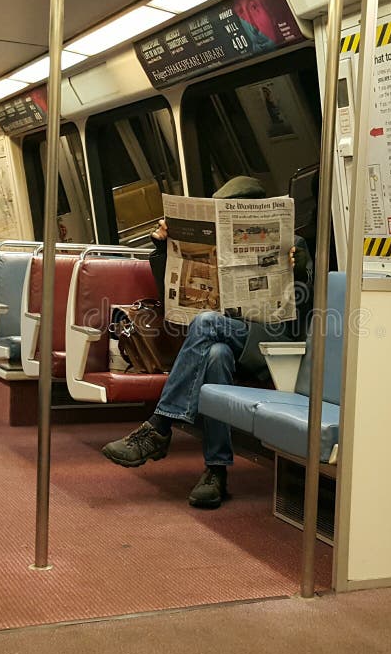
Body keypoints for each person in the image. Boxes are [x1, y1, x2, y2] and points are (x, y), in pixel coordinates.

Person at [102, 176, 313, 509]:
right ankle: (216, 472)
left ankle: (160, 425)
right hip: (224, 338)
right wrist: (163, 248)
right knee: (215, 354)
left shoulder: (293, 244)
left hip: (271, 345)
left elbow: (302, 309)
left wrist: (299, 272)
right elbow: (174, 300)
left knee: (207, 323)